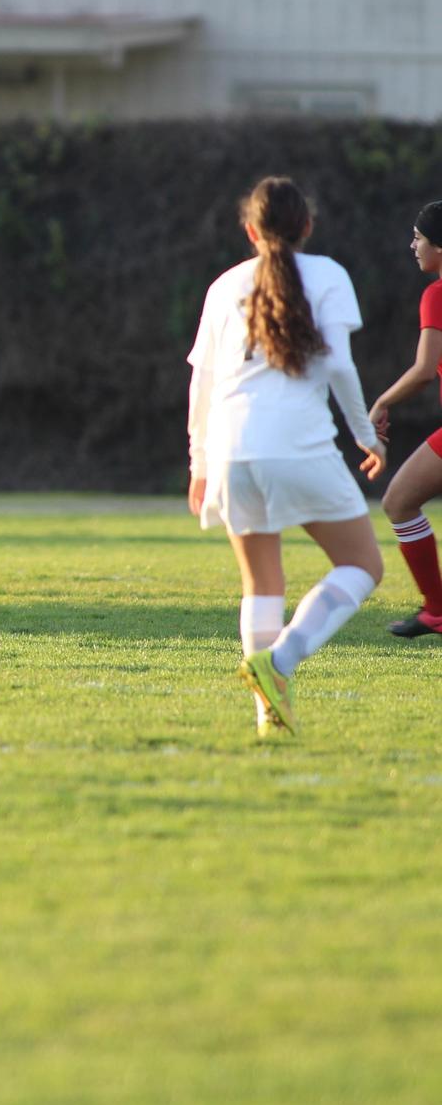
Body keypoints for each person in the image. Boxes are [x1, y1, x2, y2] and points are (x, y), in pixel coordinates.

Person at [186, 176, 385, 737]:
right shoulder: (328, 274)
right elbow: (340, 365)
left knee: (261, 586)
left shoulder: (224, 285)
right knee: (364, 566)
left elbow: (201, 382)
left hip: (231, 449)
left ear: (251, 231)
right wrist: (366, 435)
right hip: (298, 447)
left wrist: (199, 462)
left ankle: (268, 719)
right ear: (307, 227)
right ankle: (280, 662)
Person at [367, 200, 442, 638]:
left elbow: (423, 370)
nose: (413, 246)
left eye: (419, 238)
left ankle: (437, 609)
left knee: (398, 501)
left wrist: (382, 402)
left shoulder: (437, 294)